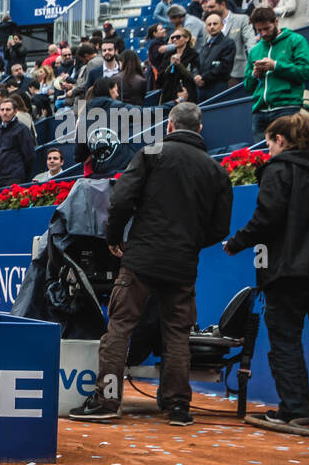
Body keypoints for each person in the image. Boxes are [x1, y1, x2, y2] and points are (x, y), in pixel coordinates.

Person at [71, 103, 233, 426]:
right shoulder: (215, 169)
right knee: (177, 334)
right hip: (182, 265)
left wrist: (114, 237)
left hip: (141, 258)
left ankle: (107, 401)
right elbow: (220, 228)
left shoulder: (152, 152)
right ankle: (178, 407)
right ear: (199, 129)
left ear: (170, 126)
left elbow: (120, 200)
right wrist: (188, 245)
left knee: (119, 328)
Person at [225, 112, 309, 424]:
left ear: (281, 140)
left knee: (285, 340)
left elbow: (267, 217)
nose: (269, 151)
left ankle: (296, 410)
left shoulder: (279, 170)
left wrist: (236, 242)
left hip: (288, 272)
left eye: (269, 144)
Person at [245, 5, 309, 139]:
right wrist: (255, 74)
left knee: (289, 152)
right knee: (262, 157)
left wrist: (275, 66)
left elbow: (305, 72)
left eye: (266, 29)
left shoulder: (296, 40)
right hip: (260, 112)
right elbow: (247, 86)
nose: (263, 34)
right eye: (259, 31)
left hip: (287, 108)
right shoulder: (255, 50)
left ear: (276, 22)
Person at [0, 97, 34, 187]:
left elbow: (29, 156)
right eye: (2, 110)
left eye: (8, 110)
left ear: (15, 111)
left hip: (14, 177)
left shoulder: (22, 130)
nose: (4, 112)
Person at [195, 12, 237, 101]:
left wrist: (203, 78)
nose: (212, 27)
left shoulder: (228, 43)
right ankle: (158, 115)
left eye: (215, 24)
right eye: (209, 24)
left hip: (217, 87)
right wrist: (196, 76)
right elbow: (197, 65)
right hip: (201, 88)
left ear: (222, 25)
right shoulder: (205, 46)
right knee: (159, 110)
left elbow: (224, 67)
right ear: (206, 28)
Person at [157, 28, 201, 103]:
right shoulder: (168, 55)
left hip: (186, 93)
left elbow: (193, 77)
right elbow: (160, 76)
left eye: (178, 37)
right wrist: (171, 65)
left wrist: (179, 65)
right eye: (172, 37)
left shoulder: (193, 55)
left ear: (186, 38)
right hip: (168, 93)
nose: (174, 39)